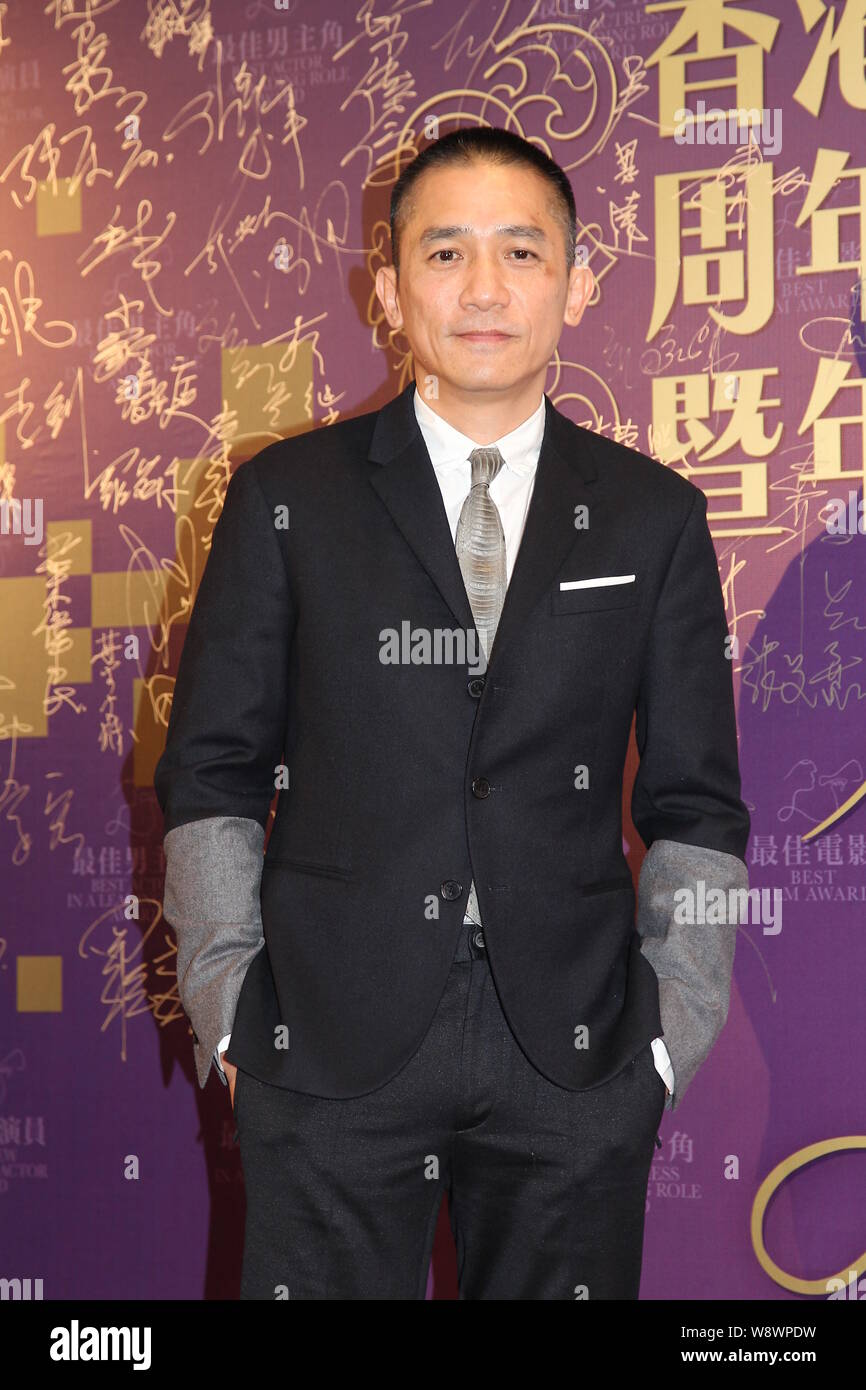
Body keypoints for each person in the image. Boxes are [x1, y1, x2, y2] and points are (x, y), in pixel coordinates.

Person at [155, 126, 750, 1300]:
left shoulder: (652, 518)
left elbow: (694, 800)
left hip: (574, 1051)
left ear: (575, 285)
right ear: (387, 287)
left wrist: (669, 1027)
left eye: (521, 252)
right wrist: (229, 1006)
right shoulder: (286, 499)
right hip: (326, 1040)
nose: (484, 289)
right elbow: (213, 771)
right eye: (444, 253)